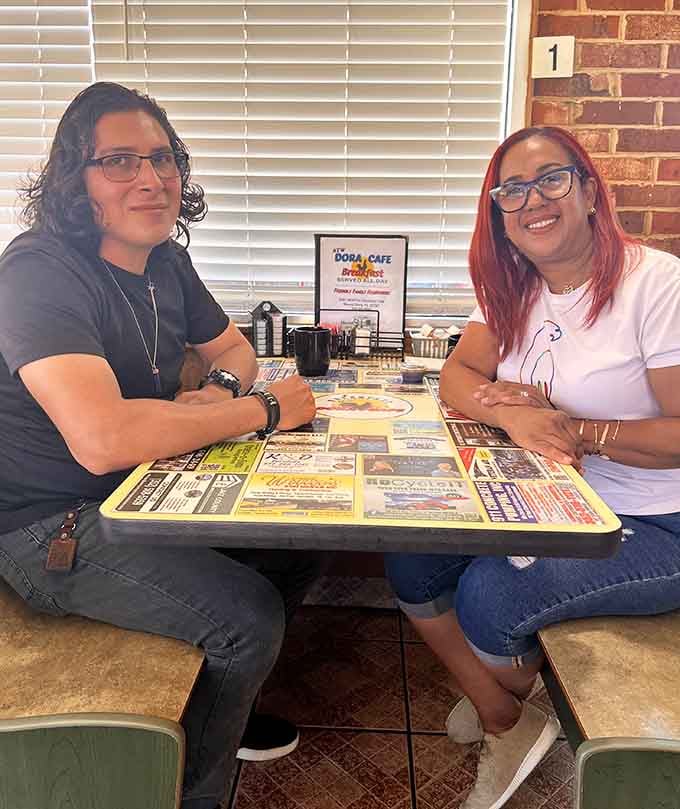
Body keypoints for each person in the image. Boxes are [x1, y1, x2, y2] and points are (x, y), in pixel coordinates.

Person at [0, 82, 324, 809]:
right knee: (248, 619)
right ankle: (192, 793)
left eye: (162, 157)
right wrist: (258, 408)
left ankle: (218, 711)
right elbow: (102, 438)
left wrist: (212, 391)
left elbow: (236, 348)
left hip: (143, 490)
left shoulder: (166, 264)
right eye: (119, 161)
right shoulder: (37, 269)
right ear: (72, 181)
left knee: (298, 543)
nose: (150, 178)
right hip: (47, 523)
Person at [385, 126, 680, 809]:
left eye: (551, 178)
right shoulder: (514, 286)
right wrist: (515, 416)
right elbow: (457, 373)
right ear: (498, 213)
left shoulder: (655, 284)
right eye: (511, 189)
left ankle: (502, 710)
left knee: (489, 596)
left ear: (587, 189)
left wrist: (578, 430)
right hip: (545, 500)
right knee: (409, 556)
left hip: (652, 520)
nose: (531, 200)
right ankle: (506, 709)